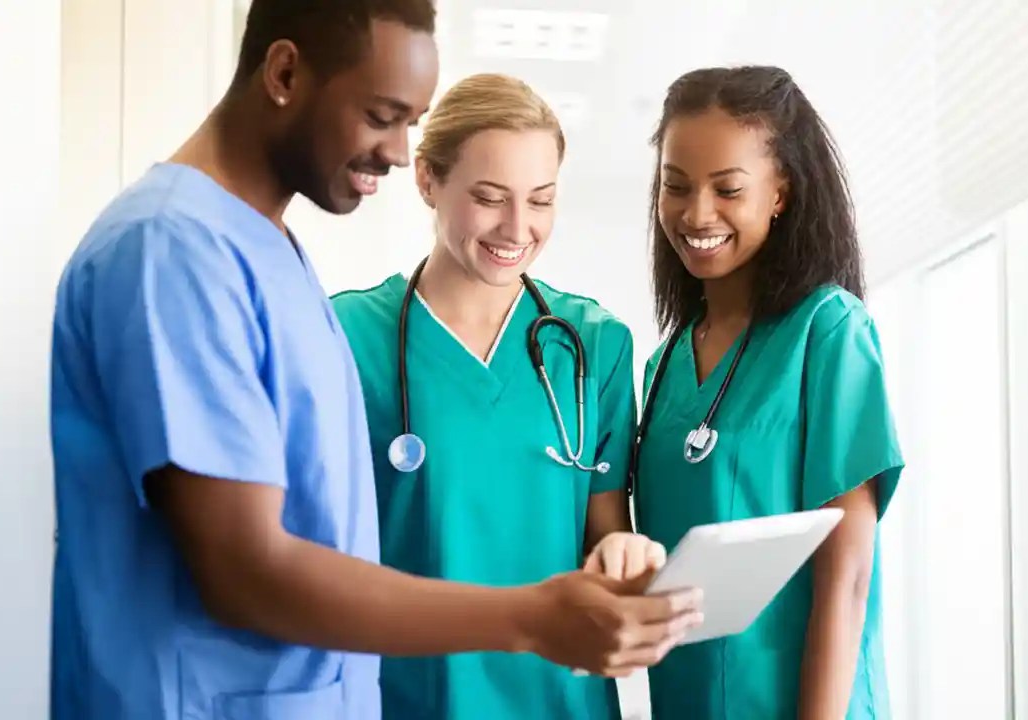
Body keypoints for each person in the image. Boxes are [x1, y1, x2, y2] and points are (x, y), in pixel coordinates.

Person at [47, 2, 702, 718]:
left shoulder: (269, 257)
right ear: (286, 72)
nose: (395, 152)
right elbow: (244, 570)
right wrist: (530, 617)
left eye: (410, 122)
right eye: (381, 114)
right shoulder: (172, 253)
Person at [329, 72, 663, 720]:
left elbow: (603, 534)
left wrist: (625, 556)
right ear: (427, 179)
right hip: (413, 699)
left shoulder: (594, 345)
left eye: (541, 200)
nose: (517, 227)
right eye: (488, 197)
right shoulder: (346, 338)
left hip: (563, 698)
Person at [628, 66, 905, 719]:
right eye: (676, 186)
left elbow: (849, 576)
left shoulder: (829, 333)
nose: (697, 214)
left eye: (728, 189)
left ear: (780, 191)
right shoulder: (663, 363)